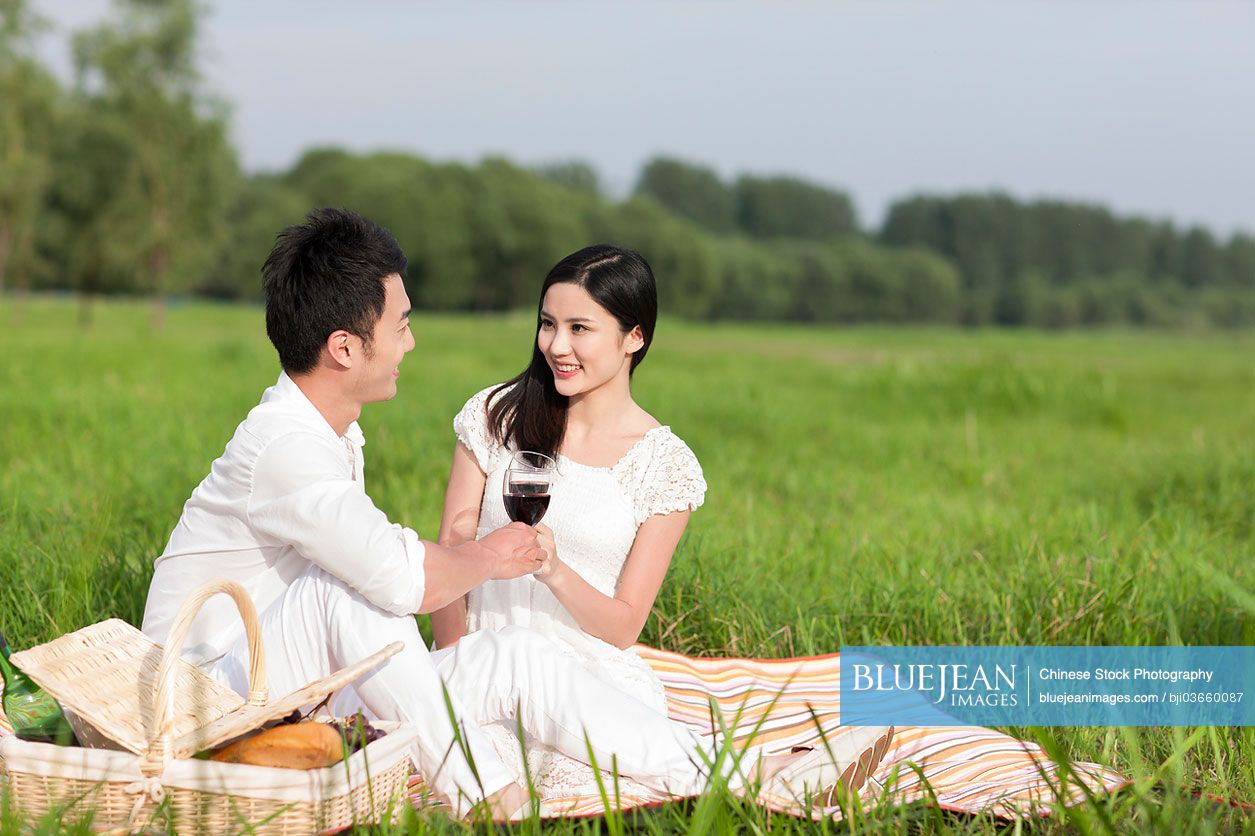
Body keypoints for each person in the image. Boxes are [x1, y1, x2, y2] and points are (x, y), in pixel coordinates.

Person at [141, 212, 890, 820]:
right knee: (352, 588)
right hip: (209, 707)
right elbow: (401, 578)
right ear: (344, 346)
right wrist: (500, 557)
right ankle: (488, 793)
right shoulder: (284, 450)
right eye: (400, 323)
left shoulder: (332, 433)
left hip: (302, 691)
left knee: (520, 660)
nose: (411, 339)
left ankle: (754, 771)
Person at [431, 244, 893, 801]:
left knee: (595, 757)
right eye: (547, 324)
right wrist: (452, 663)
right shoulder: (495, 416)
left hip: (591, 676)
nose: (557, 346)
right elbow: (449, 555)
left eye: (581, 328)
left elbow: (625, 626)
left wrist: (554, 571)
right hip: (482, 667)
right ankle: (765, 776)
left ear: (635, 337)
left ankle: (761, 777)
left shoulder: (664, 465)